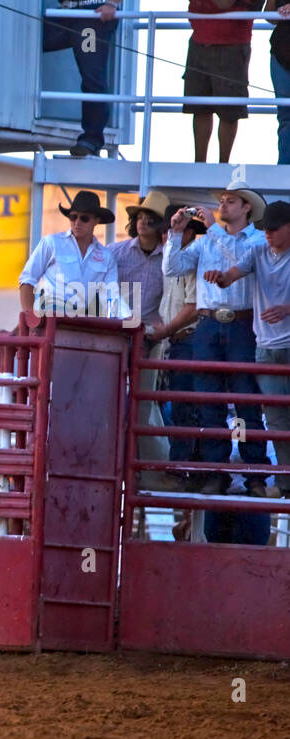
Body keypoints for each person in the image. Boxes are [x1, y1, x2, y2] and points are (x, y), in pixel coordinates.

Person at [162, 179, 271, 495]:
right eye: (223, 200)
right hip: (212, 323)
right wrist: (175, 233)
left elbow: (239, 260)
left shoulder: (254, 241)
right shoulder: (211, 239)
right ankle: (220, 471)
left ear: (246, 207)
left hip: (239, 323)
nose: (223, 205)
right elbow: (173, 268)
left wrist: (211, 229)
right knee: (211, 402)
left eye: (230, 201)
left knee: (245, 403)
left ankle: (252, 474)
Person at [204, 200, 290, 498]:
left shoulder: (259, 251)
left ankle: (281, 480)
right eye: (266, 228)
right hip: (266, 347)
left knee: (276, 416)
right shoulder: (257, 251)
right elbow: (232, 275)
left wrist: (286, 309)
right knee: (277, 418)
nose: (268, 234)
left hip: (270, 346)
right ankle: (284, 481)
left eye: (275, 229)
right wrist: (221, 278)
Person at [110, 189, 172, 478]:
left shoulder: (171, 259)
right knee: (113, 399)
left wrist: (160, 326)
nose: (142, 222)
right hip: (119, 334)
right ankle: (121, 462)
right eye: (140, 216)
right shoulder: (115, 253)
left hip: (150, 339)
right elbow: (103, 294)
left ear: (161, 226)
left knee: (142, 405)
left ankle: (136, 467)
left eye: (150, 218)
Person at [147, 206, 206, 489]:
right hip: (179, 340)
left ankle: (184, 468)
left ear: (189, 233)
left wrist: (162, 333)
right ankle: (187, 468)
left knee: (185, 408)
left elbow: (193, 309)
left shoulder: (192, 261)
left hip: (187, 338)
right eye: (165, 232)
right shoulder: (176, 259)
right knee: (183, 407)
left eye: (171, 232)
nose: (165, 237)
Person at [19, 190, 127, 322]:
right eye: (73, 217)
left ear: (96, 221)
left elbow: (112, 294)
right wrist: (30, 317)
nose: (77, 222)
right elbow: (27, 279)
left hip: (83, 319)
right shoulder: (51, 243)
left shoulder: (107, 256)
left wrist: (128, 317)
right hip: (51, 314)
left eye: (84, 218)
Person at [41, 1, 123, 157]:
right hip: (64, 12)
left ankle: (91, 139)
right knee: (28, 34)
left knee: (91, 76)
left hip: (91, 15)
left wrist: (111, 4)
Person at [185, 0, 262, 163]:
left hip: (232, 44)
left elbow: (225, 3)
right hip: (199, 40)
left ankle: (223, 166)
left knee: (229, 110)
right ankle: (199, 165)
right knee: (199, 107)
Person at [270, 2, 290, 165]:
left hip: (282, 51)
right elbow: (270, 17)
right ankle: (285, 167)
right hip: (282, 52)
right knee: (285, 117)